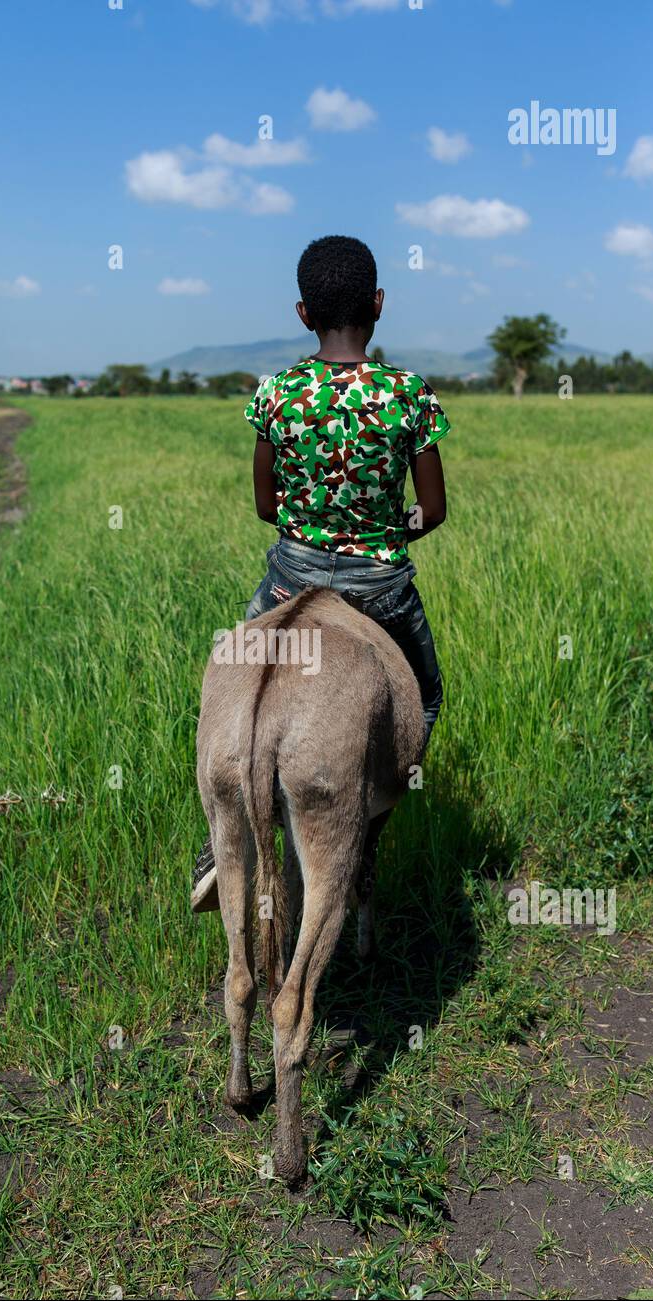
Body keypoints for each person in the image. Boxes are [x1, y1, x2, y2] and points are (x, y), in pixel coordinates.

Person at [192, 234, 450, 912]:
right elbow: (435, 509)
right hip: (382, 590)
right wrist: (389, 531)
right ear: (379, 305)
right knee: (424, 699)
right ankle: (365, 836)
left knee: (230, 696)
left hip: (288, 581)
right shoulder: (409, 393)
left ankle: (213, 846)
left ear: (303, 313)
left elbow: (262, 504)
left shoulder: (275, 393)